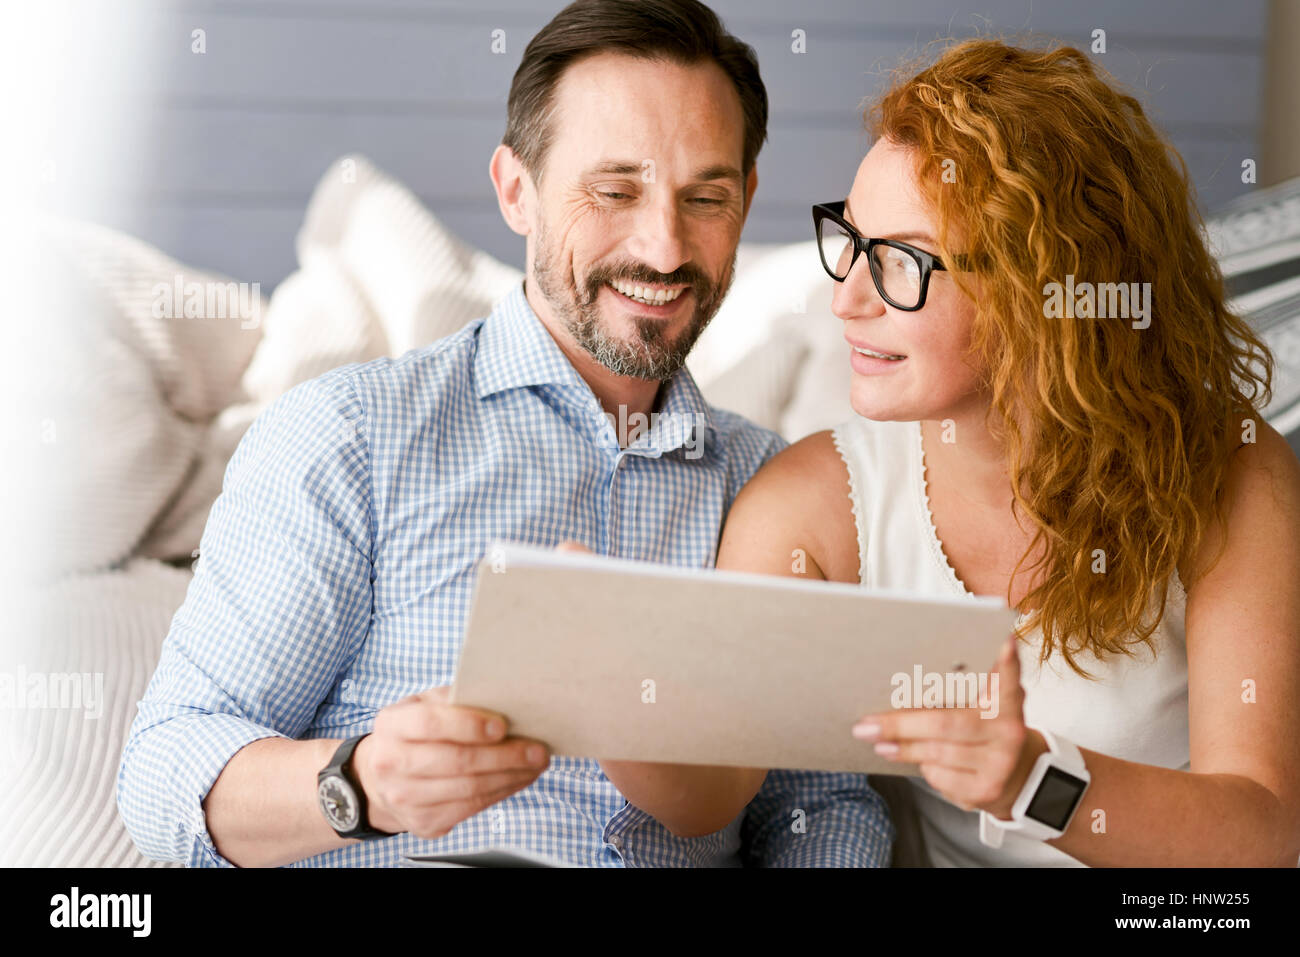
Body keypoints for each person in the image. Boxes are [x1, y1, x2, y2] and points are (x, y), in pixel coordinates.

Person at [116, 0, 892, 868]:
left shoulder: (774, 488)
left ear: (746, 202)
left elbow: (822, 804)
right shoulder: (350, 435)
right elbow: (162, 772)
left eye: (704, 197)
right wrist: (359, 785)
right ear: (517, 189)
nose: (665, 247)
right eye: (615, 190)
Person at [717, 38, 1300, 866]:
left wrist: (1031, 779)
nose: (844, 299)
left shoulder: (1232, 476)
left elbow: (1264, 832)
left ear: (1041, 289)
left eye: (903, 262)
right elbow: (716, 784)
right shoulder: (814, 508)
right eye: (850, 238)